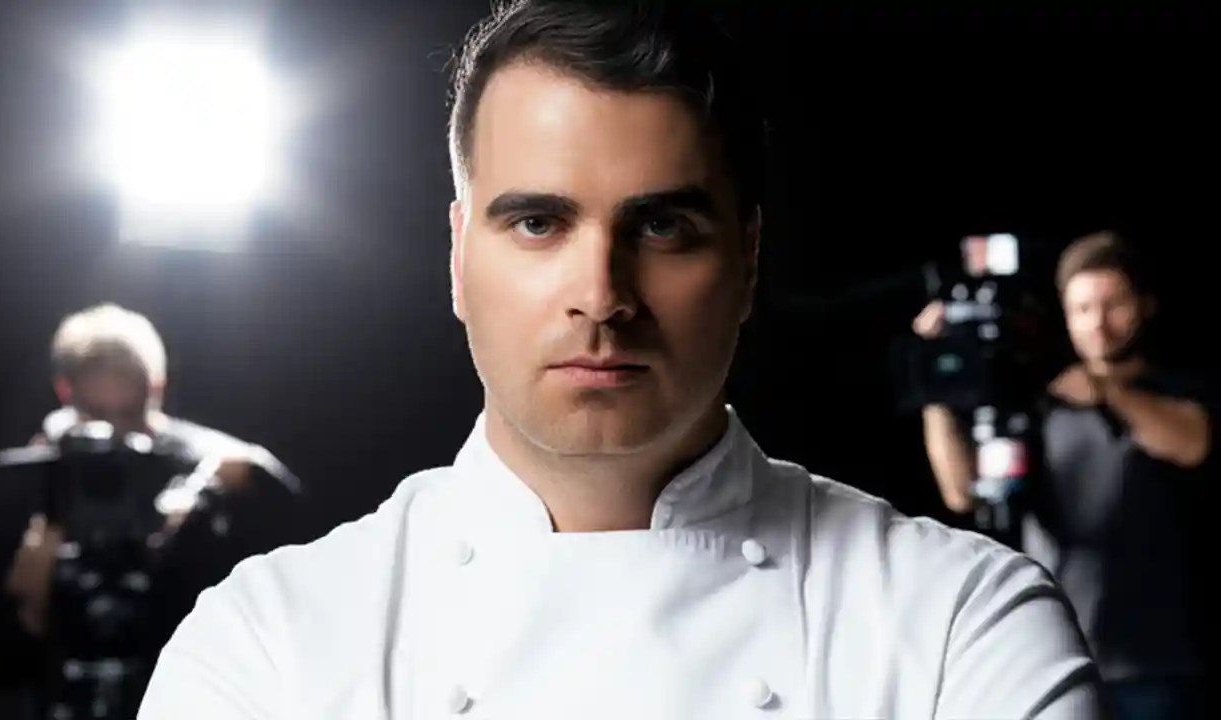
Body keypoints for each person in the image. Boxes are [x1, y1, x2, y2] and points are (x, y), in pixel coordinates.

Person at [139, 2, 1103, 717]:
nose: (602, 295)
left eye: (663, 226)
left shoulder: (960, 620)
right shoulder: (267, 642)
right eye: (538, 222)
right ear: (458, 257)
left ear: (749, 261)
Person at [916, 230, 1214, 718]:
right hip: (1059, 656)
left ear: (1145, 304)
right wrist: (936, 390)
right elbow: (962, 492)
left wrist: (1105, 391)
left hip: (1160, 665)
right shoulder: (1042, 408)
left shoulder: (1174, 390)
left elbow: (1191, 442)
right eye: (1082, 308)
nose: (1098, 322)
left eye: (1113, 304)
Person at [0, 302, 303, 719]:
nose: (118, 433)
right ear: (66, 391)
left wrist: (211, 496)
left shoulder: (199, 461)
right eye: (98, 415)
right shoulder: (36, 476)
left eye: (131, 414)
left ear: (156, 387)